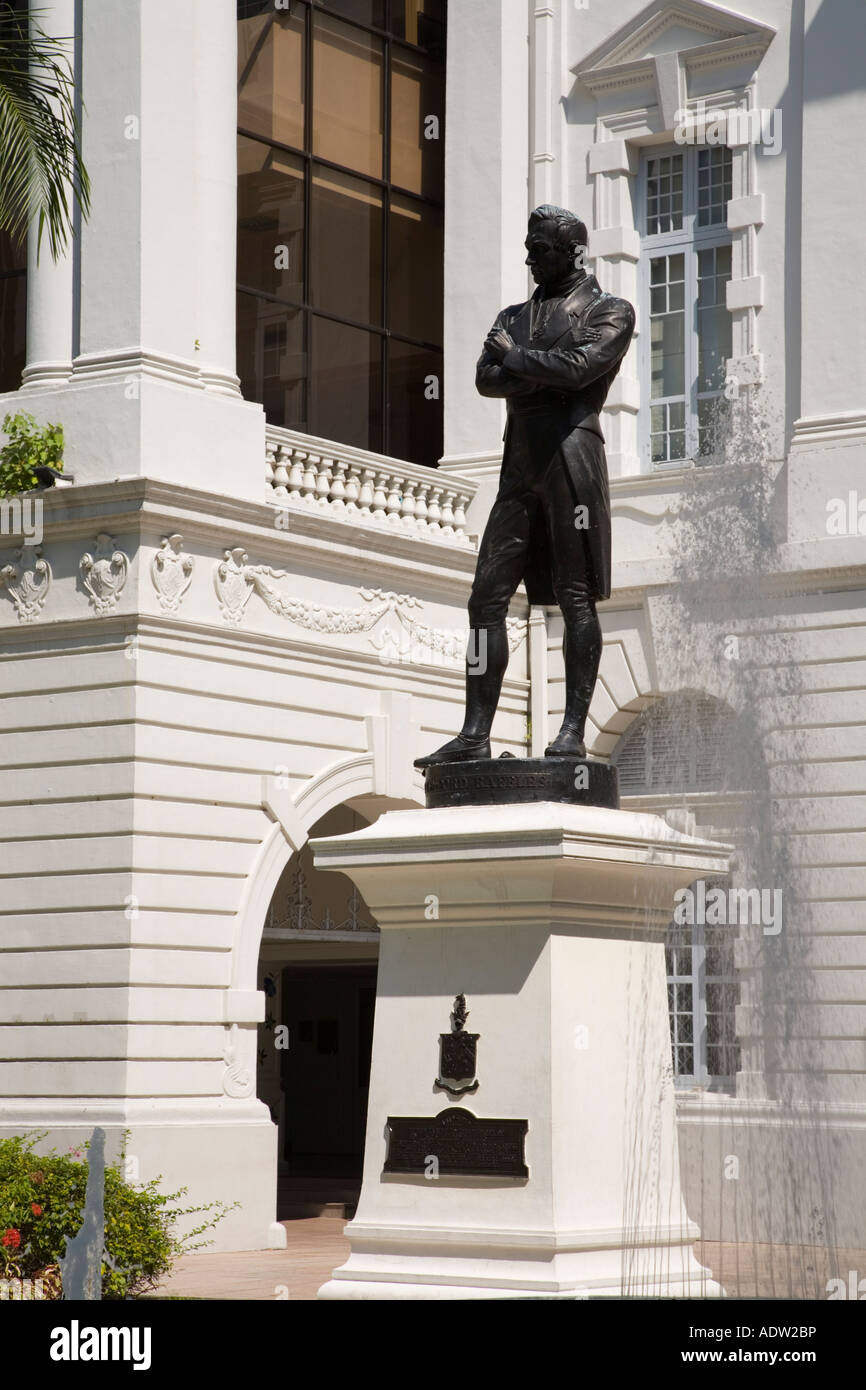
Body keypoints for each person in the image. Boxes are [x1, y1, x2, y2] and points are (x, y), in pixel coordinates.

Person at [416, 204, 635, 767]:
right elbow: (486, 381)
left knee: (575, 596)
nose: (529, 256)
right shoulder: (514, 313)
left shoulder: (610, 310)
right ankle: (474, 735)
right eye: (529, 245)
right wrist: (536, 368)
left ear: (572, 251)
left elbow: (582, 368)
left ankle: (570, 733)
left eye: (539, 248)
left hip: (571, 457)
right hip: (520, 465)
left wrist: (518, 360)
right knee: (485, 597)